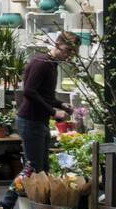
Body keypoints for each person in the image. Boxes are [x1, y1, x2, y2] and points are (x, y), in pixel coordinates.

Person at [16, 31, 76, 174]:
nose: (69, 55)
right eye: (68, 50)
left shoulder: (51, 64)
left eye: (73, 53)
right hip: (30, 120)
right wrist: (53, 111)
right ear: (57, 44)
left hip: (38, 121)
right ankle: (9, 197)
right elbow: (29, 91)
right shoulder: (42, 63)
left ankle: (40, 196)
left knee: (42, 168)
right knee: (33, 168)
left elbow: (44, 95)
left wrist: (61, 104)